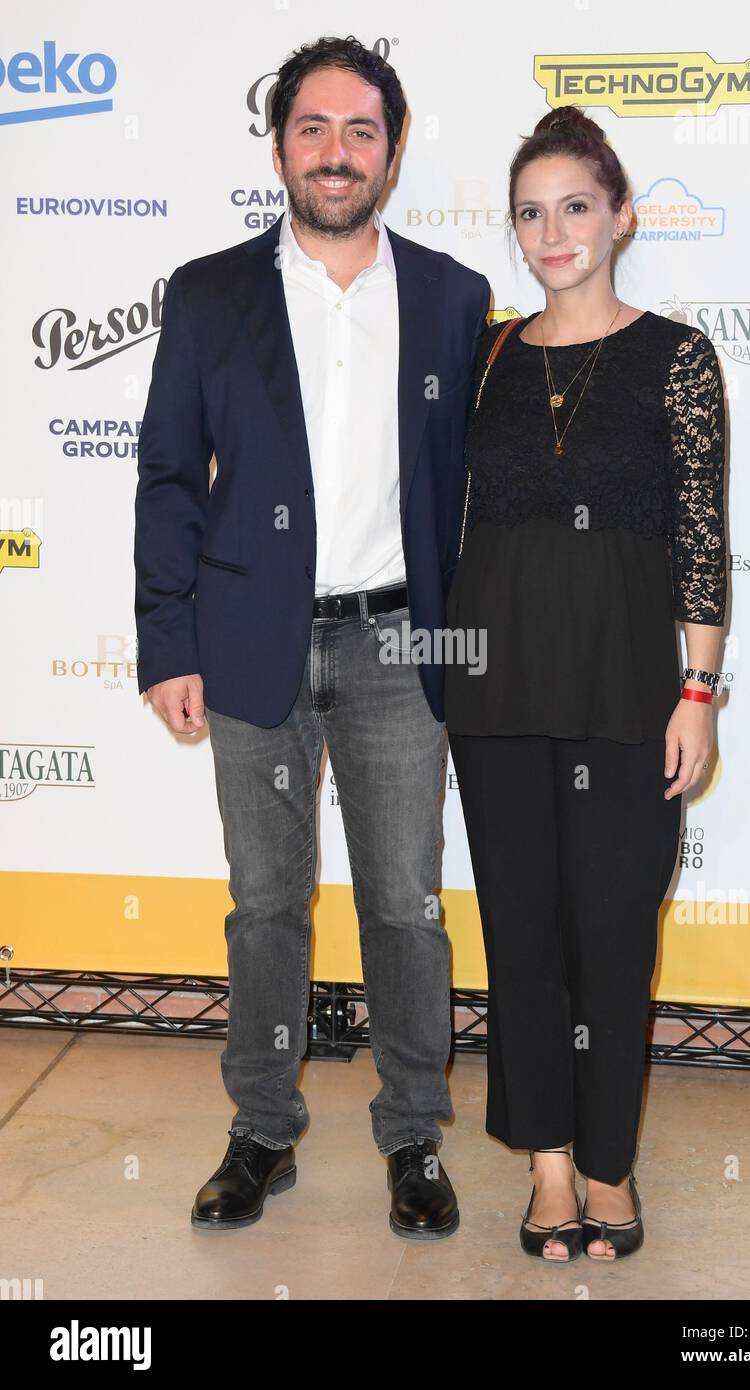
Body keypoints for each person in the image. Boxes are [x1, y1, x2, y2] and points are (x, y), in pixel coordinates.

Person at [133, 35, 490, 1238]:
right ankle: (262, 1129)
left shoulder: (449, 296)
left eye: (360, 132)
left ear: (390, 154)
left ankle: (410, 1135)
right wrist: (166, 639)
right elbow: (170, 477)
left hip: (400, 646)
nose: (335, 154)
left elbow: (463, 495)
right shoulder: (207, 292)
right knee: (265, 904)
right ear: (279, 143)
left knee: (404, 905)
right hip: (248, 645)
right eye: (313, 129)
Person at [444, 106, 728, 1262]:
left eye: (573, 206)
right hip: (494, 688)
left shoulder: (675, 358)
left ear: (619, 216)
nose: (550, 231)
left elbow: (702, 539)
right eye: (528, 211)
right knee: (520, 934)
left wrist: (696, 694)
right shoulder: (487, 356)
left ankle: (608, 1162)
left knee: (612, 933)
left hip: (623, 690)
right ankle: (548, 1169)